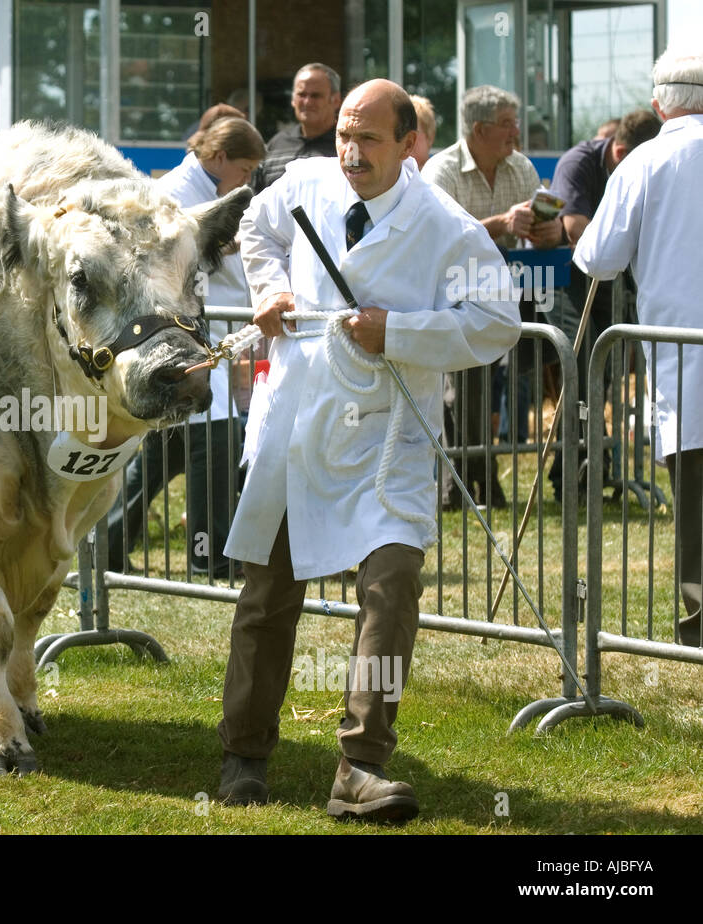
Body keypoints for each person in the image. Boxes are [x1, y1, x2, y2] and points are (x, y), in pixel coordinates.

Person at [218, 79, 519, 820]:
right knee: (266, 594)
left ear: (410, 142)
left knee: (391, 588)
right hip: (301, 417)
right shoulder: (308, 181)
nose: (350, 151)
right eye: (345, 135)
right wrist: (270, 288)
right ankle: (244, 753)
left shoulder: (446, 226)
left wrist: (403, 332)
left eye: (368, 139)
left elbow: (496, 321)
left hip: (390, 437)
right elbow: (254, 226)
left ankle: (359, 764)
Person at [574, 47, 703, 648]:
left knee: (697, 506)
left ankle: (700, 624)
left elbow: (596, 257)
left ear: (659, 105)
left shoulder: (646, 161)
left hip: (685, 365)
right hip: (684, 359)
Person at [106, 116, 264, 578]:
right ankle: (210, 556)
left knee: (162, 457)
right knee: (213, 448)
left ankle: (110, 549)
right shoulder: (177, 193)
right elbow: (168, 266)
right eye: (245, 168)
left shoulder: (197, 189)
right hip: (194, 340)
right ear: (219, 157)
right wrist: (227, 248)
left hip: (204, 340)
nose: (247, 180)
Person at [422, 85, 561, 507]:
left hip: (512, 291)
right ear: (479, 129)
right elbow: (437, 239)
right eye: (506, 123)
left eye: (515, 121)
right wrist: (501, 223)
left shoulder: (520, 168)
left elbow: (537, 233)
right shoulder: (440, 172)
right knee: (461, 389)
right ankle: (463, 483)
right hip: (452, 296)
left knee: (515, 374)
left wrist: (545, 230)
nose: (516, 131)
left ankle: (477, 481)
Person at [544, 109, 661, 499]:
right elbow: (576, 230)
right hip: (566, 281)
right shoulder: (579, 161)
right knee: (580, 360)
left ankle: (596, 464)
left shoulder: (643, 162)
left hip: (610, 279)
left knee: (607, 366)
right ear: (620, 151)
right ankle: (572, 470)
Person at [254, 63, 342, 190]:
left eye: (315, 96)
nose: (307, 102)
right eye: (302, 95)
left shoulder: (348, 145)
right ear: (293, 99)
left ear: (336, 100)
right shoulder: (277, 144)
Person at [409, 95, 436, 169]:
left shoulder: (441, 174)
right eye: (402, 133)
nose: (407, 140)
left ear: (430, 137)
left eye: (413, 134)